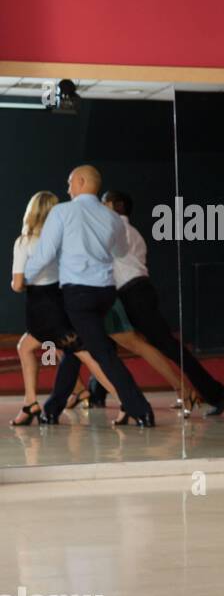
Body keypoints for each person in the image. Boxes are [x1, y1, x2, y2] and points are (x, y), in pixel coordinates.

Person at [22, 165, 155, 426]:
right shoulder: (112, 218)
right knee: (75, 347)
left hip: (77, 295)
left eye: (70, 183)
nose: (68, 189)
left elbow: (45, 253)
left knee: (102, 352)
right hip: (105, 293)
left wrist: (25, 276)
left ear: (81, 182)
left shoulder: (62, 212)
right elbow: (119, 252)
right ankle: (52, 408)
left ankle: (139, 408)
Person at [102, 190, 224, 417]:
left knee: (168, 347)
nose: (100, 208)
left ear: (117, 205)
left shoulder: (116, 230)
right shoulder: (133, 232)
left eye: (103, 203)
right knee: (113, 342)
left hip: (133, 293)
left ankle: (216, 393)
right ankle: (97, 394)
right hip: (138, 291)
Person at [9, 190, 115, 425]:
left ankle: (126, 400)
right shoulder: (63, 240)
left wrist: (23, 280)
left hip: (41, 308)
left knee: (83, 354)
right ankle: (31, 402)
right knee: (28, 347)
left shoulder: (24, 242)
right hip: (63, 300)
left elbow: (18, 284)